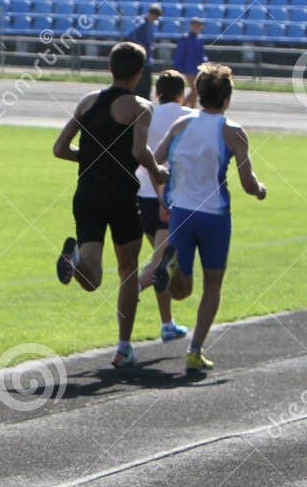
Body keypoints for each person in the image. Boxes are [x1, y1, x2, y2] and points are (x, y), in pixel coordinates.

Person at [52, 41, 166, 368]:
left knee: (92, 279)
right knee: (128, 271)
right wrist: (158, 171)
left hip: (86, 192)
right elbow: (138, 152)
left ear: (110, 68)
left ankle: (74, 261)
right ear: (140, 73)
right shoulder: (140, 106)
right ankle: (123, 347)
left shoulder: (88, 102)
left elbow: (60, 148)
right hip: (119, 194)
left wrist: (88, 159)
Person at [154, 63, 267, 372]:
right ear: (228, 98)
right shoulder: (232, 131)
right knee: (213, 284)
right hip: (214, 215)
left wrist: (165, 178)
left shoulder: (181, 124)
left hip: (180, 210)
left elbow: (157, 160)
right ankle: (194, 350)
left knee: (180, 292)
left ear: (199, 95)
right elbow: (247, 182)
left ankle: (175, 266)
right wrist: (260, 190)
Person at [134, 69, 193, 344]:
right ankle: (130, 291)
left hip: (141, 194)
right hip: (170, 195)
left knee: (163, 264)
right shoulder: (186, 118)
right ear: (182, 93)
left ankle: (167, 323)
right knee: (160, 264)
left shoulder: (147, 113)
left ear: (157, 92)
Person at [124, 3, 163, 100]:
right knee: (139, 88)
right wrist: (139, 47)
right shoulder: (141, 23)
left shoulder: (150, 24)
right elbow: (130, 37)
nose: (155, 18)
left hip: (147, 61)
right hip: (141, 61)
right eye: (155, 15)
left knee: (146, 88)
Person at [173, 17, 207, 107]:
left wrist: (205, 62)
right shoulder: (185, 38)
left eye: (199, 25)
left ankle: (192, 107)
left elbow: (201, 54)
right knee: (195, 89)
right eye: (195, 25)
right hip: (187, 67)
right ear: (191, 26)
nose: (197, 27)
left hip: (197, 68)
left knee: (196, 90)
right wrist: (177, 66)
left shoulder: (199, 39)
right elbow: (180, 53)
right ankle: (182, 106)